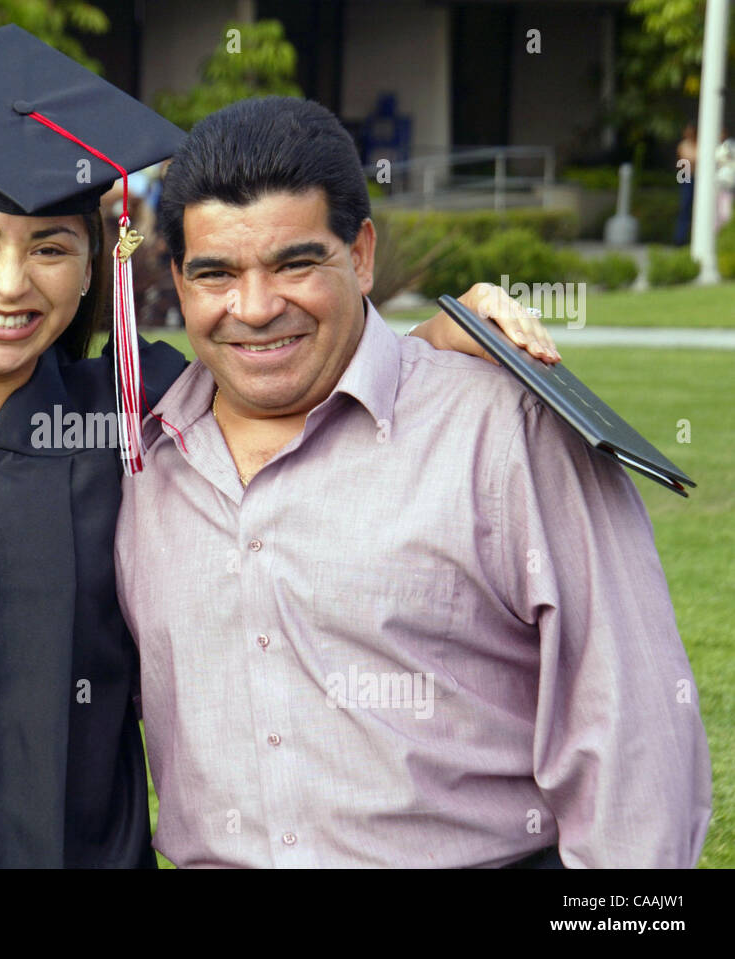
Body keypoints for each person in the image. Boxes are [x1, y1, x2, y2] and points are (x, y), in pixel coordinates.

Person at [0, 28, 554, 870]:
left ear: (95, 265)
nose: (12, 282)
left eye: (52, 247)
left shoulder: (142, 411)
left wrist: (432, 337)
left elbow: (291, 366)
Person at [115, 96, 712, 868]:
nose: (256, 307)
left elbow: (634, 738)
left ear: (360, 255)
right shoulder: (138, 456)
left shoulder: (505, 432)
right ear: (178, 280)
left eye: (296, 263)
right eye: (217, 273)